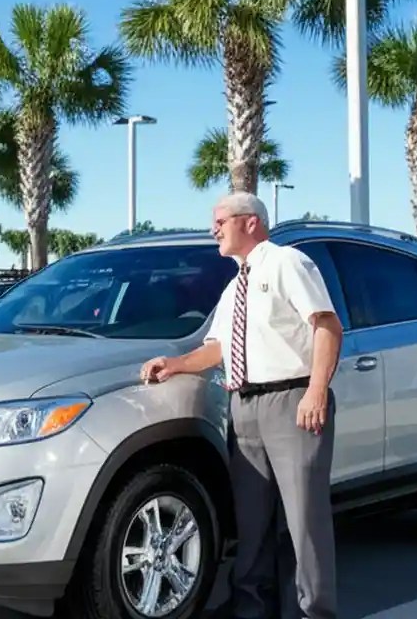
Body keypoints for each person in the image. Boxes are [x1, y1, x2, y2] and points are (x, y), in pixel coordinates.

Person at [140, 192, 344, 619]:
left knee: (303, 524)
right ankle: (253, 610)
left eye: (220, 220)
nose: (213, 229)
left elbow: (327, 326)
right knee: (251, 524)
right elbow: (218, 348)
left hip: (292, 400)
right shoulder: (235, 286)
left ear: (250, 222)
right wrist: (175, 364)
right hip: (244, 407)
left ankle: (313, 612)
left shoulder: (287, 263)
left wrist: (316, 390)